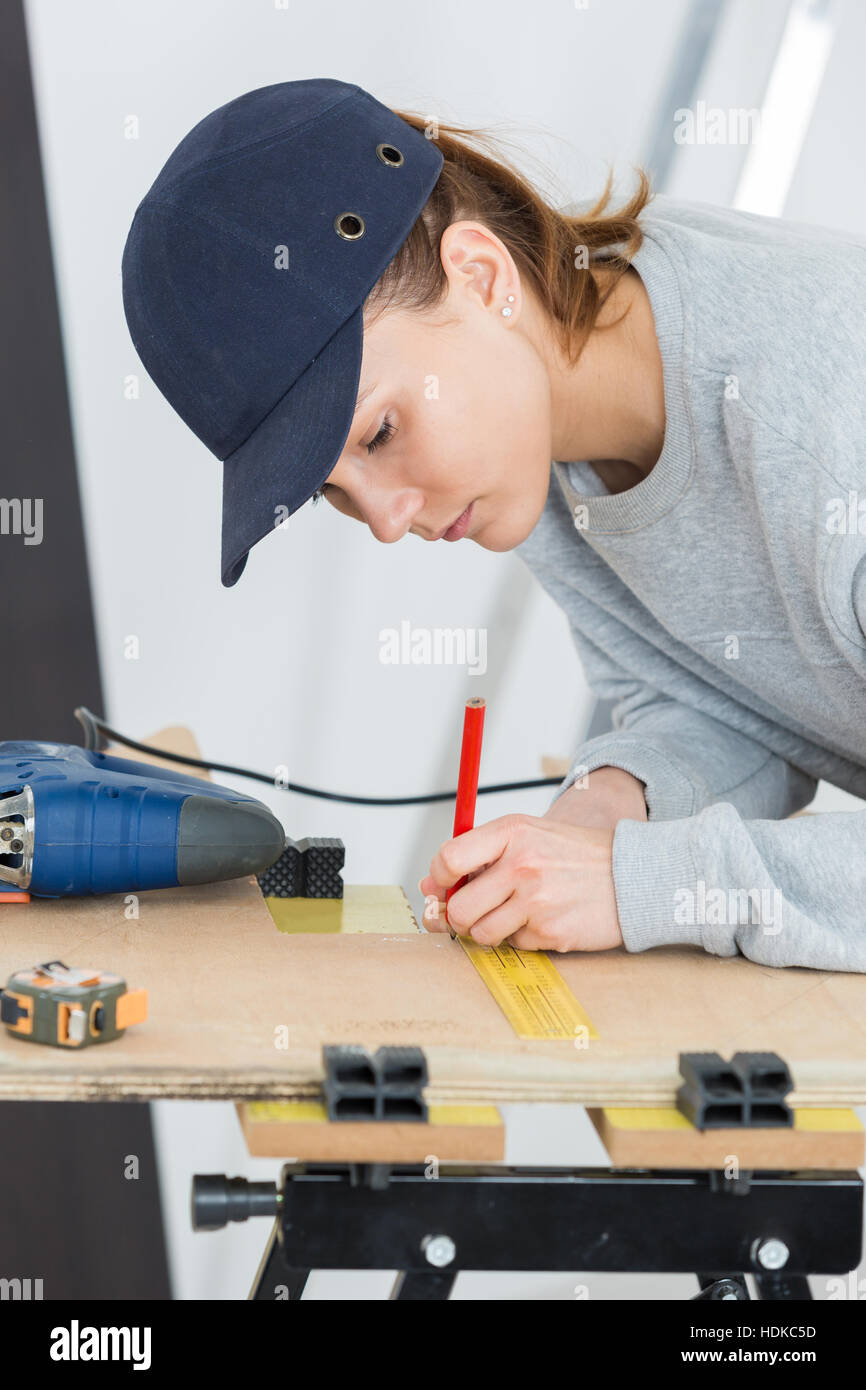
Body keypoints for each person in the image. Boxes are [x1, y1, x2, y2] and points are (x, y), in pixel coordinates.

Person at [122, 79, 866, 972]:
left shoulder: (824, 414)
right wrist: (610, 809)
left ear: (480, 275)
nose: (388, 520)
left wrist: (646, 882)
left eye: (382, 432)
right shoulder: (545, 438)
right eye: (334, 491)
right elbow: (733, 701)